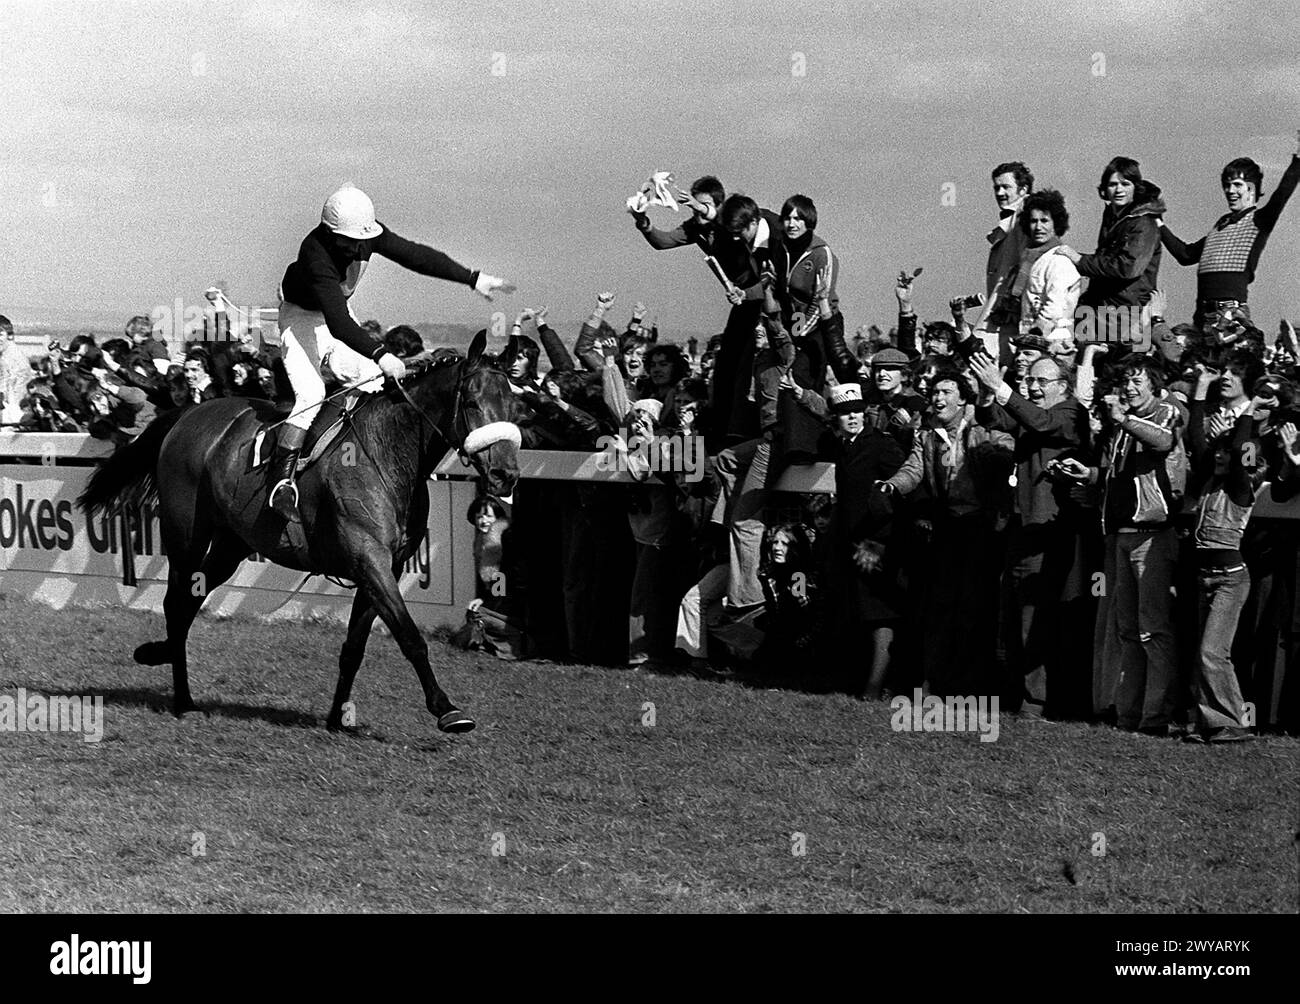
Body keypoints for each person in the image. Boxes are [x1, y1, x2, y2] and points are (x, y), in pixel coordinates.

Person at [269, 184, 513, 519]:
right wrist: (381, 353)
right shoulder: (315, 253)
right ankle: (280, 483)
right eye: (350, 242)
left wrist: (471, 277)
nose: (357, 249)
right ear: (330, 233)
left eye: (361, 241)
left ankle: (352, 463)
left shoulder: (365, 232)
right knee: (311, 394)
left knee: (370, 381)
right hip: (300, 316)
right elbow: (339, 324)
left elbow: (414, 255)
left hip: (335, 311)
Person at [970, 350, 1091, 716]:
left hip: (1049, 530)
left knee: (1036, 618)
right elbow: (992, 418)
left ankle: (1037, 702)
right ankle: (1017, 694)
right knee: (1012, 614)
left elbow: (1039, 422)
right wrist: (986, 393)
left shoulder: (1071, 412)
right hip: (1021, 528)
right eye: (1030, 381)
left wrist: (1004, 390)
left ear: (1063, 385)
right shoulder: (1032, 411)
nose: (1034, 387)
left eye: (1042, 381)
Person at [882, 368, 1014, 698]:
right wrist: (892, 486)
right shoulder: (927, 434)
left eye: (946, 392)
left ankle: (972, 685)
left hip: (982, 527)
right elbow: (914, 468)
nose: (938, 398)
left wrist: (995, 461)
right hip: (948, 528)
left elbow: (1007, 451)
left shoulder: (981, 428)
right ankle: (935, 683)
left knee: (975, 609)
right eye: (935, 392)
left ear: (963, 398)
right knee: (940, 607)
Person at [1184, 365, 1264, 742]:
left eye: (1222, 454)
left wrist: (1248, 411)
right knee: (1202, 654)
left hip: (1231, 579)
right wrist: (1200, 391)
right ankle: (1208, 723)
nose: (1217, 457)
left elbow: (1236, 449)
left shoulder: (1238, 487)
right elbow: (1197, 441)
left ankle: (1231, 722)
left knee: (1212, 652)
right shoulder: (1209, 483)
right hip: (1205, 576)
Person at [1158, 131, 1300, 334]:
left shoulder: (1259, 220)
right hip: (1203, 315)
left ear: (1252, 188)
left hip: (1231, 315)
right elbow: (1186, 255)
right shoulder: (1219, 225)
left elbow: (1283, 192)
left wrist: (1298, 158)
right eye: (1227, 185)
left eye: (1237, 185)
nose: (1230, 191)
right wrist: (1158, 224)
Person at [824, 382, 906, 700]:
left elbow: (903, 488)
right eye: (845, 413)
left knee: (880, 615)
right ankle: (860, 682)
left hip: (877, 545)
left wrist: (881, 541)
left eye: (857, 410)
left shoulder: (881, 445)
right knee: (858, 612)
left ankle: (876, 687)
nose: (853, 417)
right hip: (851, 543)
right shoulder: (845, 447)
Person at [1061, 157, 1165, 348]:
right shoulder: (1114, 217)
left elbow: (1129, 267)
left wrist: (1080, 260)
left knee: (1121, 372)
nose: (1118, 190)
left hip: (1128, 315)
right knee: (1086, 367)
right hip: (1100, 311)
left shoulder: (1144, 223)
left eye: (1125, 184)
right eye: (1112, 184)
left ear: (1136, 187)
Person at [973, 162, 1034, 364]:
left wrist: (1013, 298)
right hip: (1003, 309)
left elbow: (1028, 261)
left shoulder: (1025, 215)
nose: (999, 192)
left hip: (1010, 311)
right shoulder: (1012, 217)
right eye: (996, 187)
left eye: (1005, 187)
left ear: (1023, 190)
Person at [1013, 189, 1081, 346]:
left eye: (1044, 221)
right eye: (1033, 221)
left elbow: (1055, 307)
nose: (1038, 227)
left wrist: (1036, 336)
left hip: (1051, 341)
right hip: (1031, 339)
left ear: (1056, 224)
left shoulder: (1059, 260)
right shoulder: (1031, 258)